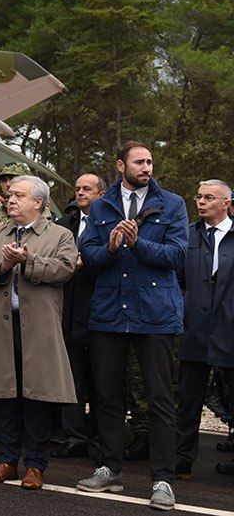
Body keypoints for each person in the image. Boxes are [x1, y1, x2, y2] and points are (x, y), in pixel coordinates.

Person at [76, 141, 187, 511]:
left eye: (150, 161)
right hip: (109, 312)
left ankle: (163, 481)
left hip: (155, 313)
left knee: (160, 399)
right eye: (140, 162)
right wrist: (109, 249)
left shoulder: (172, 203)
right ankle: (110, 469)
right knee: (106, 395)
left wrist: (138, 245)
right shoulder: (101, 206)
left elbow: (177, 256)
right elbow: (88, 256)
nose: (147, 167)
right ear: (120, 165)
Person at [0, 175, 78, 491]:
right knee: (3, 395)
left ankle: (35, 465)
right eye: (11, 195)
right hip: (1, 328)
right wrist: (4, 266)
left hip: (40, 329)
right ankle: (6, 461)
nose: (11, 200)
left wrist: (28, 259)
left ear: (39, 202)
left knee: (37, 397)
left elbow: (65, 268)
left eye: (19, 195)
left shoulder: (60, 235)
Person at [175, 180, 234, 478]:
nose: (201, 202)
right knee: (189, 399)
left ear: (227, 203)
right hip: (194, 328)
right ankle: (181, 459)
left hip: (229, 328)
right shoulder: (187, 235)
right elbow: (178, 278)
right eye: (199, 196)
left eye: (209, 197)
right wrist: (185, 306)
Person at [52, 173, 105, 459]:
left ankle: (100, 438)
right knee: (70, 379)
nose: (80, 193)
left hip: (99, 313)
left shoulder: (110, 224)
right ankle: (74, 436)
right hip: (68, 314)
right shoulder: (64, 225)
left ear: (101, 195)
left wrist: (90, 262)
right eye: (78, 188)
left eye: (87, 189)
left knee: (101, 382)